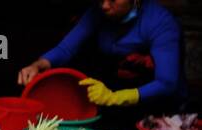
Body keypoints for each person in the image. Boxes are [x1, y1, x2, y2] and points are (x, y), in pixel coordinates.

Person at [16, 0, 187, 118]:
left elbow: (166, 83)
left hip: (155, 104)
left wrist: (116, 97)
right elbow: (66, 48)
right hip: (115, 91)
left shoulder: (160, 22)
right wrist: (39, 64)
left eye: (113, 0)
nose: (104, 5)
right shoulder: (97, 13)